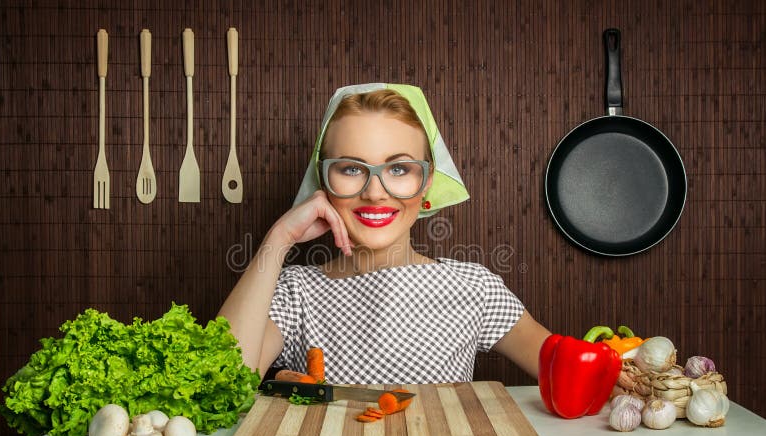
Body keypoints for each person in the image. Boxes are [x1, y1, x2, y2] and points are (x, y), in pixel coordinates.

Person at [218, 83, 552, 384]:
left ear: (427, 180)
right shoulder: (294, 292)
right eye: (350, 168)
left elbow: (569, 373)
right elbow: (221, 384)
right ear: (323, 182)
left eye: (399, 169)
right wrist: (280, 237)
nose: (375, 193)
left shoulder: (475, 288)